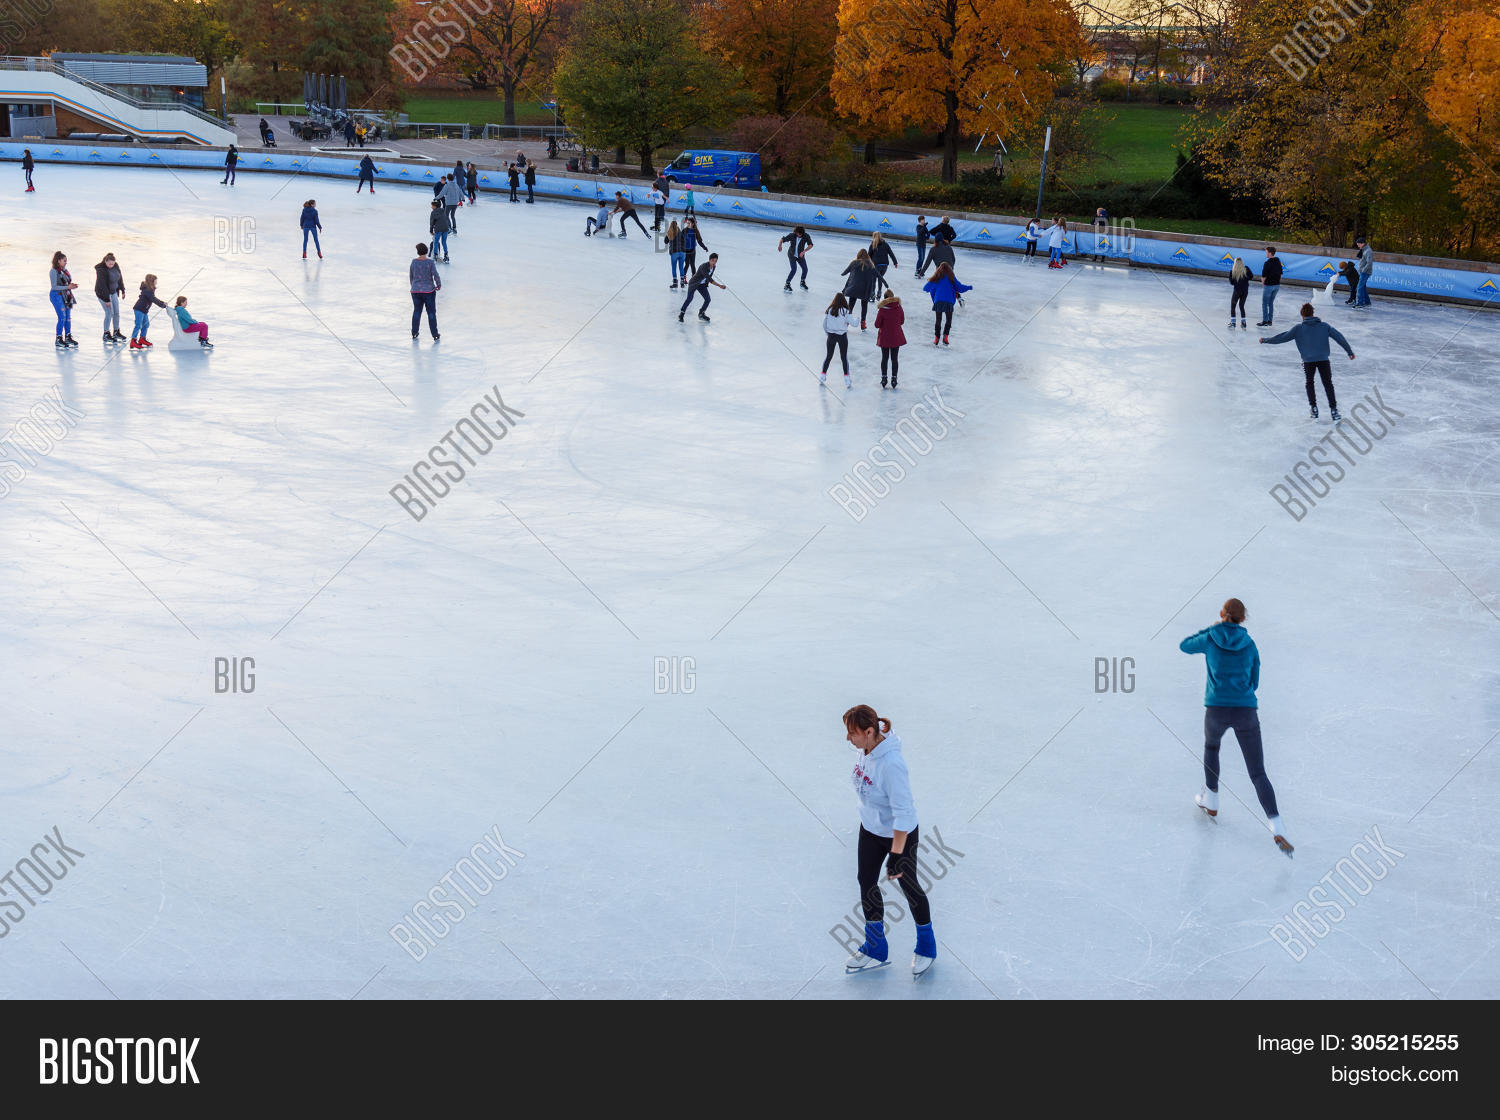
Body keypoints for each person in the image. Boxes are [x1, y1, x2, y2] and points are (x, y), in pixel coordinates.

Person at [1179, 599, 1293, 858]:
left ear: (1222, 614)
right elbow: (1255, 680)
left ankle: (1212, 799)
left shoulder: (1210, 638)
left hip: (1216, 710)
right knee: (1257, 773)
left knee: (1212, 747)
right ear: (1243, 619)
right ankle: (1277, 825)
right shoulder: (1250, 645)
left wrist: (1210, 631)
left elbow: (1184, 646)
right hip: (1246, 712)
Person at [841, 704, 936, 977]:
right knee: (866, 882)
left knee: (909, 885)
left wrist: (896, 854)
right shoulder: (866, 750)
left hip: (899, 833)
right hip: (870, 829)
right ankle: (875, 947)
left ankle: (927, 946)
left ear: (869, 731)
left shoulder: (892, 765)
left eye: (852, 733)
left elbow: (904, 814)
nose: (849, 739)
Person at [1260, 302, 1355, 421]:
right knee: (1328, 384)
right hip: (1323, 359)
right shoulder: (1324, 326)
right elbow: (1339, 337)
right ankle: (1334, 410)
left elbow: (1282, 337)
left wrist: (1265, 340)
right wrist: (1349, 351)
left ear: (1302, 315)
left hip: (1308, 361)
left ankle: (1314, 408)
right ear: (1313, 313)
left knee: (1310, 383)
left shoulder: (1298, 329)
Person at [923, 262, 971, 346]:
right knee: (948, 320)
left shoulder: (936, 278)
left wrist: (933, 288)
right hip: (948, 302)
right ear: (949, 270)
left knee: (938, 320)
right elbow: (960, 288)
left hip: (938, 301)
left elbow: (925, 288)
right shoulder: (951, 278)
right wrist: (969, 287)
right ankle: (945, 337)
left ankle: (936, 338)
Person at [839, 249, 880, 330]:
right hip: (865, 289)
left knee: (851, 305)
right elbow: (876, 276)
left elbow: (846, 274)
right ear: (867, 256)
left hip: (854, 288)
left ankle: (847, 322)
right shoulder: (871, 265)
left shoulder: (854, 263)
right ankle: (863, 323)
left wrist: (843, 274)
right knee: (864, 305)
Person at [677, 253, 723, 323]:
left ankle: (701, 313)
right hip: (694, 283)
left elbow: (708, 277)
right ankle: (681, 314)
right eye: (713, 260)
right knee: (689, 298)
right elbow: (709, 279)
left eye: (716, 261)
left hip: (702, 285)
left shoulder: (714, 267)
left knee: (708, 299)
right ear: (709, 260)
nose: (714, 262)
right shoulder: (703, 266)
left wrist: (706, 284)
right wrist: (719, 285)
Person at [410, 242, 441, 341]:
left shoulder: (414, 262)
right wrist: (438, 284)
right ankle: (435, 334)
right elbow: (435, 274)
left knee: (417, 311)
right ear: (426, 251)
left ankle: (414, 332)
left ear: (418, 252)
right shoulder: (430, 262)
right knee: (431, 312)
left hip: (415, 291)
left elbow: (411, 276)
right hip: (428, 291)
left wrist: (414, 286)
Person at [820, 293, 853, 387]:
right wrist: (858, 319)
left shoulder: (829, 310)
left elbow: (824, 325)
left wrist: (828, 333)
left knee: (828, 356)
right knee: (843, 358)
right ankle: (847, 379)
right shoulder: (845, 311)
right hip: (842, 336)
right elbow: (854, 324)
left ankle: (822, 376)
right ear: (843, 301)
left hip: (831, 336)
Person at [874, 292, 905, 389]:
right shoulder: (899, 307)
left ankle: (884, 378)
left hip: (885, 337)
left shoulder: (882, 309)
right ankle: (894, 378)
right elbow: (902, 321)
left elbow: (877, 325)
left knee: (885, 358)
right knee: (894, 358)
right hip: (896, 336)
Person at [49, 250, 79, 348]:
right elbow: (54, 286)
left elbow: (66, 283)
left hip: (66, 295)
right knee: (62, 317)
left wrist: (71, 286)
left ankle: (68, 337)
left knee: (68, 317)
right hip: (56, 295)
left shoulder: (64, 270)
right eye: (64, 260)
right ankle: (58, 339)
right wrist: (68, 287)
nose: (66, 262)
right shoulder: (53, 271)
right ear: (58, 261)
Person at [94, 252, 125, 344]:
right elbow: (103, 286)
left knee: (116, 313)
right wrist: (106, 299)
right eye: (109, 264)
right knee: (109, 313)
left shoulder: (115, 266)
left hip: (113, 292)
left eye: (113, 264)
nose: (111, 265)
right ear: (105, 261)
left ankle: (116, 332)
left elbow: (119, 278)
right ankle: (106, 334)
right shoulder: (101, 270)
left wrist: (122, 290)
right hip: (103, 294)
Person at [129, 273, 166, 349]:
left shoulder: (150, 289)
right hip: (139, 309)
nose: (156, 282)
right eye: (155, 281)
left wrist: (162, 303)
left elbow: (153, 298)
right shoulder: (147, 290)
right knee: (138, 325)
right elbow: (153, 299)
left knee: (146, 325)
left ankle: (142, 339)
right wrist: (162, 304)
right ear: (151, 281)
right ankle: (133, 341)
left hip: (144, 310)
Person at [778, 226, 814, 291]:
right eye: (798, 234)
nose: (799, 235)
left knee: (805, 269)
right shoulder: (792, 235)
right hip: (792, 255)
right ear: (796, 232)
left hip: (800, 255)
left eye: (800, 234)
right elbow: (782, 239)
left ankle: (802, 282)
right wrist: (780, 245)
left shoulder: (806, 236)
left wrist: (804, 251)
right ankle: (787, 284)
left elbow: (810, 245)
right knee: (794, 269)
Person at [1256, 246, 1282, 326]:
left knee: (1264, 303)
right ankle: (1270, 321)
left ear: (1270, 253)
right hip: (1277, 286)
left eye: (1266, 252)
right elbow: (1281, 274)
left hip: (1269, 286)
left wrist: (1264, 284)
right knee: (1270, 303)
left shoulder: (1267, 263)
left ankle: (1265, 321)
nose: (1266, 254)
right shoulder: (1278, 261)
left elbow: (1263, 276)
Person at [1229, 257, 1253, 330]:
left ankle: (1233, 323)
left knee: (1233, 306)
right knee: (1241, 306)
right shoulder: (1246, 269)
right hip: (1245, 291)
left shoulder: (1233, 271)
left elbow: (1232, 282)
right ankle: (1244, 323)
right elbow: (1251, 277)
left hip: (1237, 291)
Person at [664, 220, 686, 287]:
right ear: (677, 225)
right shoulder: (680, 232)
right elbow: (684, 241)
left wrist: (667, 235)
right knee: (681, 267)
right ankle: (682, 283)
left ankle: (675, 283)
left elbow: (665, 242)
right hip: (682, 252)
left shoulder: (669, 232)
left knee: (674, 268)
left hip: (674, 252)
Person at [1354, 235, 1373, 309]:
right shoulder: (1364, 249)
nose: (1358, 245)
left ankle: (1360, 303)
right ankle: (1367, 302)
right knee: (1363, 287)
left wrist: (1363, 270)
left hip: (1365, 272)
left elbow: (1369, 263)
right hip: (1362, 271)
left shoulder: (1368, 251)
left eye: (1358, 244)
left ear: (1362, 243)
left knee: (1359, 287)